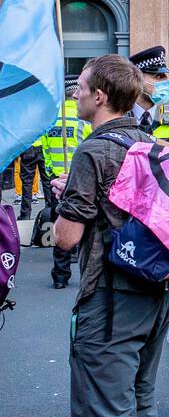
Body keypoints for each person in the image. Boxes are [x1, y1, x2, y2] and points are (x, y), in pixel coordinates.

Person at [52, 55, 169, 417]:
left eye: (80, 88)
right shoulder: (152, 144)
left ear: (100, 95)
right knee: (138, 408)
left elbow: (66, 239)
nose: (75, 95)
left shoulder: (94, 150)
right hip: (156, 295)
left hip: (108, 299)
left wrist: (63, 205)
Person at [39, 77, 93, 288]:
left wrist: (52, 171)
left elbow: (44, 148)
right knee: (82, 224)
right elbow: (90, 145)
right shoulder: (83, 119)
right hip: (77, 179)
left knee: (58, 224)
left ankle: (60, 276)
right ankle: (83, 268)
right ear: (75, 93)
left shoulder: (52, 118)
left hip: (56, 180)